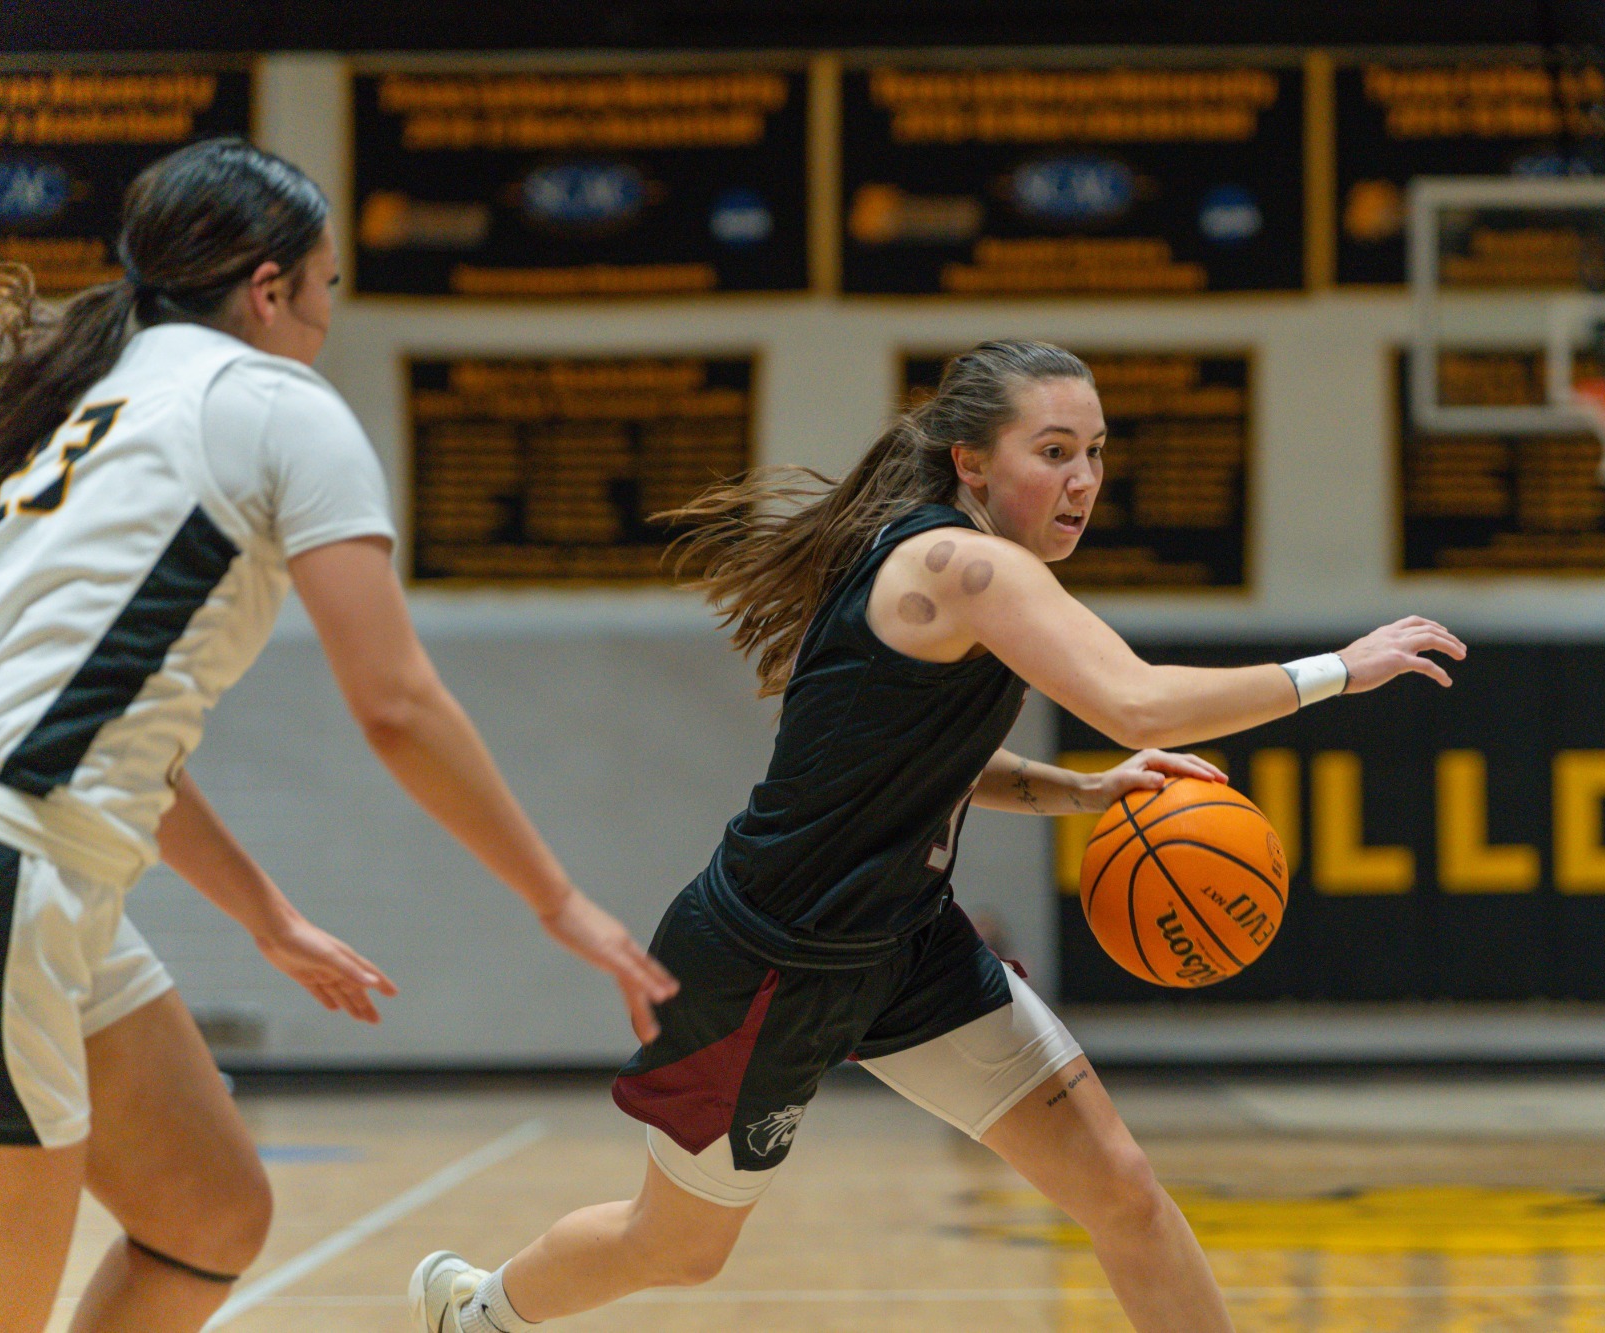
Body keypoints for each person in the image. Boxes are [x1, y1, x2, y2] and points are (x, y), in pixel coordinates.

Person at [413, 340, 1464, 1333]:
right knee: (677, 1247)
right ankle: (480, 1312)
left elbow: (925, 767)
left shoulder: (963, 566)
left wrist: (1079, 794)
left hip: (905, 945)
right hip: (768, 959)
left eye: (1094, 453)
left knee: (1124, 1191)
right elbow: (1137, 702)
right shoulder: (959, 564)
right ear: (970, 459)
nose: (1082, 479)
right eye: (1052, 452)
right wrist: (1339, 669)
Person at [0, 137, 677, 1333]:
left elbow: (123, 744)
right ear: (270, 287)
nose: (327, 321)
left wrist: (269, 916)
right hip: (7, 871)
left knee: (208, 1211)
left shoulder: (95, 406)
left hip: (44, 862)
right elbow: (395, 704)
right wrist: (556, 899)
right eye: (330, 289)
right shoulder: (273, 404)